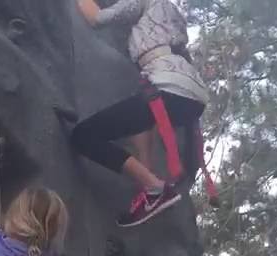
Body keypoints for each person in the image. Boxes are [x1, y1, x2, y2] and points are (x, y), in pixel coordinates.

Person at [70, 0, 210, 227]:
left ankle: (155, 189)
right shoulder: (170, 10)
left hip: (168, 86)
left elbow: (97, 18)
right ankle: (150, 185)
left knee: (84, 136)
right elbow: (143, 122)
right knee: (140, 114)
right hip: (190, 93)